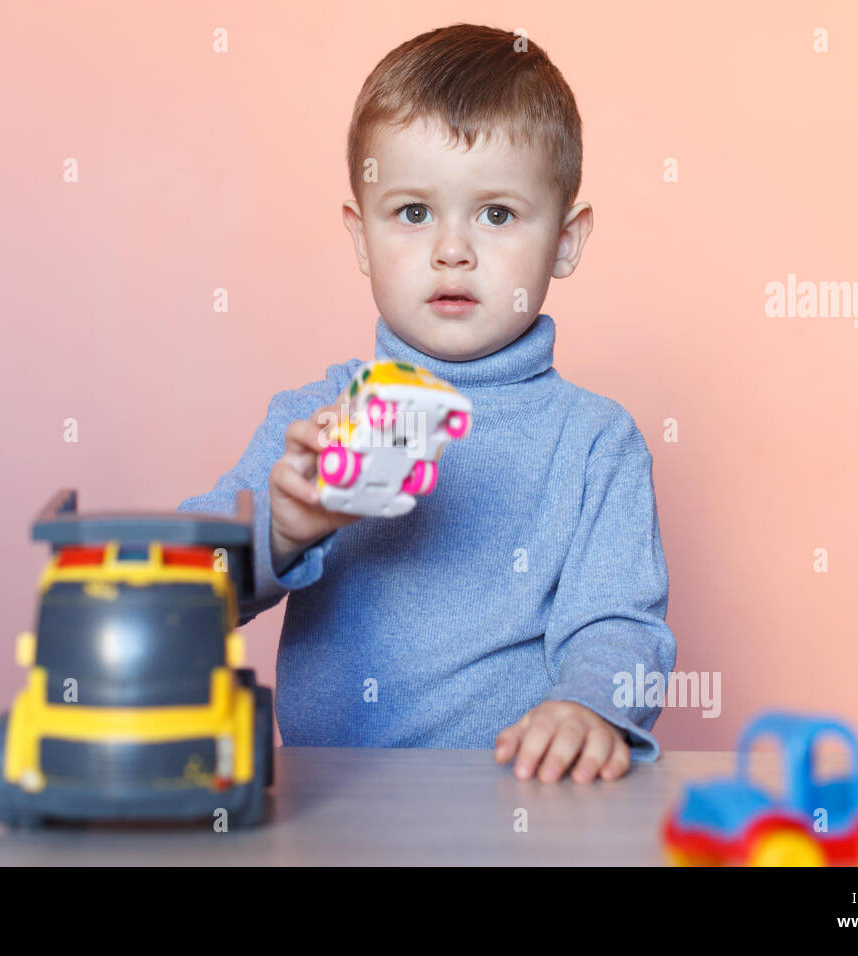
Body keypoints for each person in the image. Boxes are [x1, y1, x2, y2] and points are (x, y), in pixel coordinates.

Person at [178, 23, 675, 784]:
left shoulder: (594, 442)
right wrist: (280, 531)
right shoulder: (312, 423)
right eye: (413, 213)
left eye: (497, 214)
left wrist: (589, 708)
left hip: (514, 811)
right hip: (322, 816)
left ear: (567, 242)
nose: (452, 250)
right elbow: (179, 586)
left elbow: (618, 626)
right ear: (360, 237)